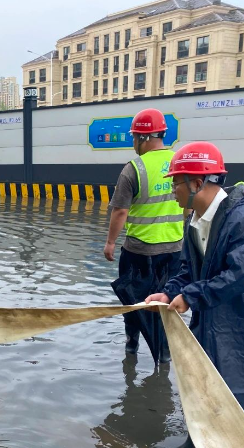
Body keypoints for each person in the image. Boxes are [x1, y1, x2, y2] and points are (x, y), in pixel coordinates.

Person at [146, 141, 244, 448]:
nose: (172, 189)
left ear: (197, 183)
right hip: (213, 314)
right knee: (203, 384)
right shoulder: (194, 220)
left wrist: (191, 296)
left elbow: (241, 275)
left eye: (175, 182)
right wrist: (171, 291)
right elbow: (188, 271)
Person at [103, 108, 183, 363]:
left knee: (132, 301)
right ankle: (166, 350)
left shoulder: (133, 169)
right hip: (174, 251)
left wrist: (110, 243)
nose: (134, 143)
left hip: (139, 252)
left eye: (135, 137)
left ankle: (132, 345)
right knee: (168, 301)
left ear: (144, 138)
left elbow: (120, 212)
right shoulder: (179, 162)